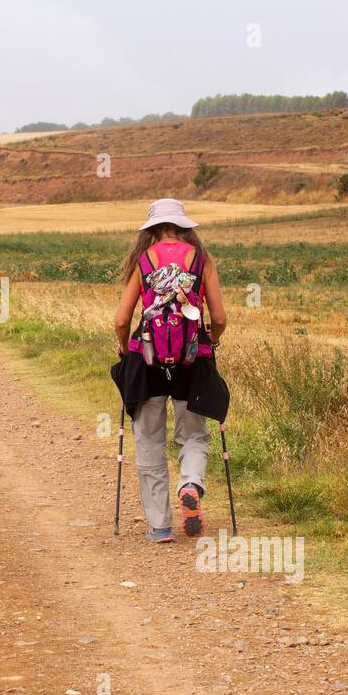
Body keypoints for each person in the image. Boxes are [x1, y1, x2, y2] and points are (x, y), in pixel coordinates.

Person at [112, 198, 227, 542]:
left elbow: (121, 319)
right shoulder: (202, 260)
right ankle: (190, 484)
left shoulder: (142, 261)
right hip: (192, 360)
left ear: (150, 230)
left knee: (149, 440)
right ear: (184, 227)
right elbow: (219, 318)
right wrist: (212, 340)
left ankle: (160, 526)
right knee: (193, 434)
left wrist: (122, 345)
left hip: (146, 360)